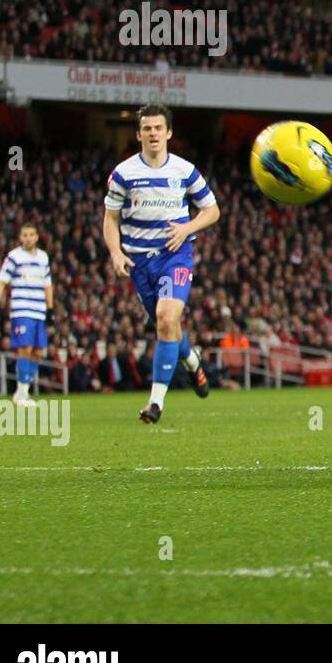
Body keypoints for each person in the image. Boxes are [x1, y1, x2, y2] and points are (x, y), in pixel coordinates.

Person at [103, 103, 220, 423]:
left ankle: (156, 403)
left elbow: (212, 210)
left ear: (168, 132)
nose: (153, 133)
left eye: (158, 128)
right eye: (147, 129)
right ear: (138, 134)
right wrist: (115, 252)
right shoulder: (125, 173)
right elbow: (110, 219)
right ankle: (192, 361)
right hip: (140, 262)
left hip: (175, 255)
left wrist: (187, 228)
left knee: (166, 317)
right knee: (168, 325)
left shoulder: (184, 170)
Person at [0, 222, 53, 407]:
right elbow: (1, 281)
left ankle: (23, 391)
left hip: (39, 311)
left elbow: (48, 284)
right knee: (25, 348)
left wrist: (50, 308)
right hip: (22, 309)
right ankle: (22, 392)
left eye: (31, 234)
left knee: (38, 351)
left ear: (36, 237)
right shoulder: (14, 257)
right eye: (24, 234)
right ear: (20, 238)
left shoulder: (43, 257)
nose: (28, 238)